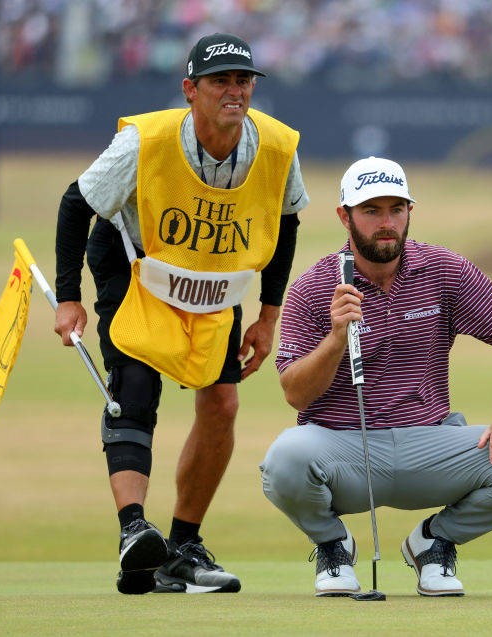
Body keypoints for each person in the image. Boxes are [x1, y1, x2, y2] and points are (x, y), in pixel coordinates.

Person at [53, 33, 307, 594]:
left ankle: (182, 548)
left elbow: (284, 224)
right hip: (135, 267)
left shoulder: (276, 147)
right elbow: (77, 205)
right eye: (220, 82)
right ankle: (133, 534)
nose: (235, 91)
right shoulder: (147, 140)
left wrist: (269, 315)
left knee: (222, 401)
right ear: (190, 90)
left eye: (244, 81)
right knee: (136, 386)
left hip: (212, 278)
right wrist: (69, 297)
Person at [260, 156, 492, 597]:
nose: (386, 223)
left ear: (409, 213)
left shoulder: (443, 270)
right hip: (344, 447)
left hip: (429, 443)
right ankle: (333, 546)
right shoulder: (313, 286)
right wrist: (336, 337)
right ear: (345, 216)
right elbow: (296, 394)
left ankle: (434, 543)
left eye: (396, 210)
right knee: (284, 460)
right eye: (372, 211)